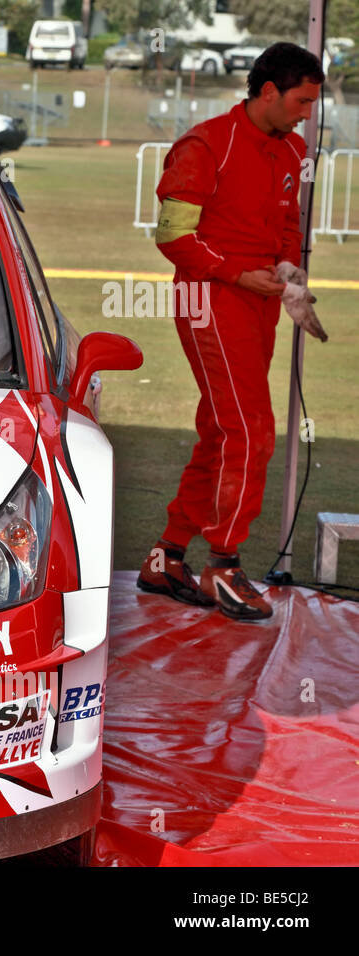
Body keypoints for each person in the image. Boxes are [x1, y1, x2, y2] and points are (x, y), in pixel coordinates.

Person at [138, 42, 325, 621]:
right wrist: (237, 273)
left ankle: (167, 557)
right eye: (301, 100)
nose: (307, 113)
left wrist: (289, 272)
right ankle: (223, 562)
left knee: (224, 430)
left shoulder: (292, 149)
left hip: (257, 301)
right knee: (252, 431)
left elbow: (287, 222)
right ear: (268, 91)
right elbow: (173, 237)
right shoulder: (206, 144)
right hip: (210, 297)